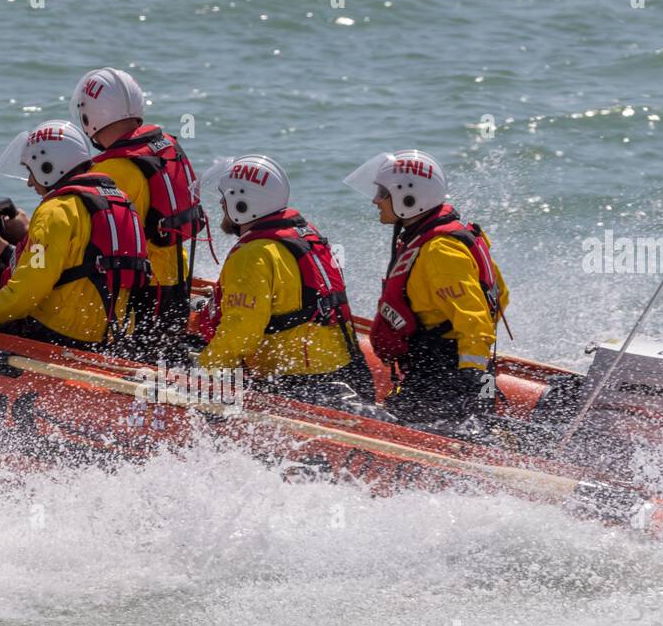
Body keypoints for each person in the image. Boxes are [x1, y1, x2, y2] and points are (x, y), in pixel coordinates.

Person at [0, 120, 150, 351]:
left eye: (31, 172)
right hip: (105, 336)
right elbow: (75, 265)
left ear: (49, 166)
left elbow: (24, 296)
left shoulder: (56, 211)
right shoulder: (117, 199)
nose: (30, 183)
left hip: (56, 335)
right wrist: (4, 250)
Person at [344, 149, 509, 430]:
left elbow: (475, 319)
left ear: (409, 198)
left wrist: (469, 378)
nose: (375, 201)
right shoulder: (428, 237)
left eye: (382, 193)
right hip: (432, 368)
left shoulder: (440, 250)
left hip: (444, 375)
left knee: (389, 428)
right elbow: (501, 296)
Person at [196, 155, 375, 411]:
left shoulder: (253, 255)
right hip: (345, 371)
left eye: (224, 197)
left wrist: (200, 373)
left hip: (297, 384)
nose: (222, 203)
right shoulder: (304, 234)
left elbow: (240, 335)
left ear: (242, 203)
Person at [70, 67, 204, 358]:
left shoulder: (111, 171)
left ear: (87, 114)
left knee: (139, 355)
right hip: (176, 280)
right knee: (160, 350)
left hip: (142, 292)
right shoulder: (166, 145)